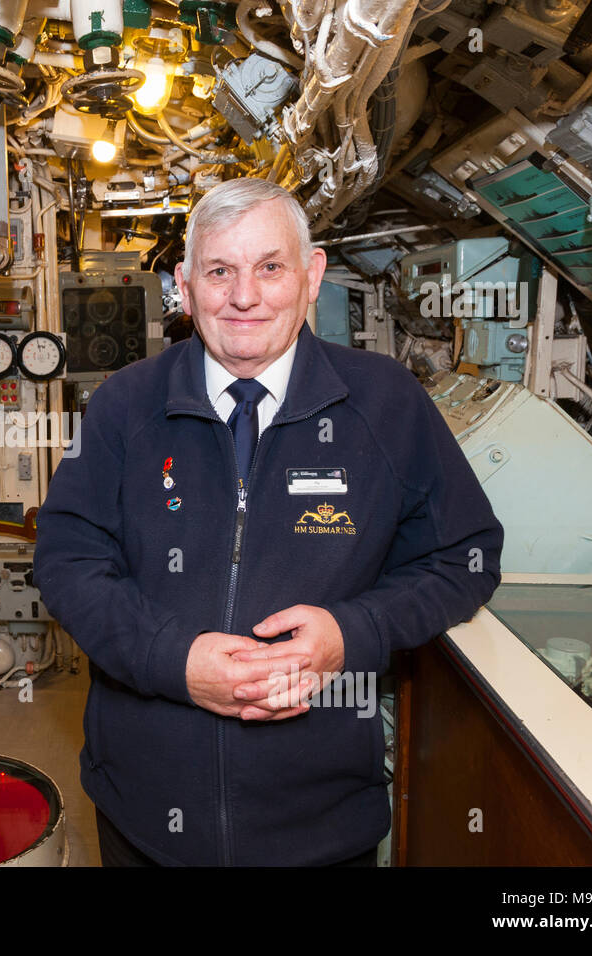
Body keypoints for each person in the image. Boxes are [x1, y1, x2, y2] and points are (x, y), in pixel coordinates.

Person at [33, 177, 504, 866]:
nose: (244, 296)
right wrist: (176, 661)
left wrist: (353, 633)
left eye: (270, 268)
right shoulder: (124, 408)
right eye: (219, 271)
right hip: (146, 816)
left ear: (311, 276)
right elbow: (68, 560)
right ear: (184, 285)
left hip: (319, 826)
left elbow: (465, 556)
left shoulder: (386, 404)